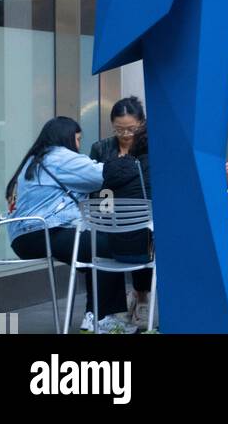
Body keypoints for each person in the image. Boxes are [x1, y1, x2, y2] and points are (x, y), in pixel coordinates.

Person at [6, 116, 135, 333]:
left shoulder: (34, 159)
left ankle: (95, 316)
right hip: (44, 231)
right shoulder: (60, 157)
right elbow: (100, 175)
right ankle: (100, 317)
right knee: (106, 245)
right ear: (66, 138)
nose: (78, 145)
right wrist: (130, 164)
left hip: (23, 237)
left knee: (93, 246)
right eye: (77, 139)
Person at [100, 125, 153, 329]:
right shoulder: (159, 171)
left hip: (113, 251)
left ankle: (137, 301)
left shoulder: (112, 169)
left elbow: (104, 213)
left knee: (138, 232)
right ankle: (144, 303)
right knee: (150, 234)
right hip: (147, 253)